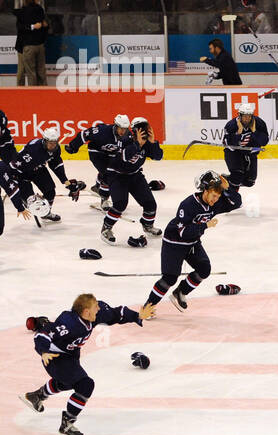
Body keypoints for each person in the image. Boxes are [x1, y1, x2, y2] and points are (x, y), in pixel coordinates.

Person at [20, 293, 155, 435]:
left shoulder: (93, 314)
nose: (99, 308)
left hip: (70, 356)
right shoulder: (69, 323)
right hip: (55, 358)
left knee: (67, 382)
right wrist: (44, 351)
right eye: (95, 307)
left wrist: (138, 315)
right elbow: (43, 335)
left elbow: (116, 313)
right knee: (85, 385)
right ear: (86, 312)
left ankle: (37, 396)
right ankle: (67, 426)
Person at [145, 171, 242, 311]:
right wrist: (205, 225)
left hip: (192, 242)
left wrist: (227, 189)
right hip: (174, 243)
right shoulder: (188, 204)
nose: (215, 199)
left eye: (218, 196)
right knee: (170, 278)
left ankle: (180, 292)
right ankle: (148, 307)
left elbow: (237, 203)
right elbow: (183, 232)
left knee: (204, 269)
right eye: (214, 195)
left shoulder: (215, 203)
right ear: (205, 191)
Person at [101, 116, 163, 244]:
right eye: (141, 129)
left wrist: (152, 142)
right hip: (117, 175)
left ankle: (147, 225)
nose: (144, 132)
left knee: (150, 204)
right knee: (120, 204)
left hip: (135, 175)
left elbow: (158, 157)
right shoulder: (124, 139)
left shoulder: (146, 142)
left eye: (146, 129)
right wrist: (137, 144)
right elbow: (124, 157)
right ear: (134, 131)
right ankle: (106, 228)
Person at [5, 126, 81, 224]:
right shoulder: (33, 150)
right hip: (21, 173)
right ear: (44, 140)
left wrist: (66, 181)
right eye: (50, 143)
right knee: (30, 199)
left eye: (55, 142)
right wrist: (14, 181)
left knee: (50, 190)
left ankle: (46, 213)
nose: (53, 146)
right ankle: (29, 200)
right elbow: (15, 165)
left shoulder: (56, 149)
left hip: (38, 169)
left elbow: (56, 164)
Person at [63, 114, 130, 210]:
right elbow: (84, 134)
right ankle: (104, 198)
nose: (123, 131)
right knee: (108, 174)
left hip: (112, 154)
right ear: (115, 126)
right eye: (121, 128)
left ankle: (98, 185)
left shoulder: (128, 135)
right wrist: (73, 147)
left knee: (115, 172)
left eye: (125, 129)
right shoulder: (102, 131)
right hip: (97, 152)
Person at [222, 102, 269, 191]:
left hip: (250, 153)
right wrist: (239, 133)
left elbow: (264, 141)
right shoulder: (231, 125)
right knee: (237, 176)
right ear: (239, 115)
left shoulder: (259, 123)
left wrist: (255, 132)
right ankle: (231, 195)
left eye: (249, 116)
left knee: (250, 181)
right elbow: (226, 143)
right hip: (234, 153)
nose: (247, 119)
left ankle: (226, 180)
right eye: (245, 116)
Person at [12, 0, 47, 85]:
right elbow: (20, 26)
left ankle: (39, 91)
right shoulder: (25, 12)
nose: (36, 2)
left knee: (36, 70)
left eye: (37, 0)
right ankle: (22, 90)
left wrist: (43, 26)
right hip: (24, 45)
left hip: (34, 43)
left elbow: (44, 26)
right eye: (35, 0)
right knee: (23, 70)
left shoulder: (39, 11)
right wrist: (33, 26)